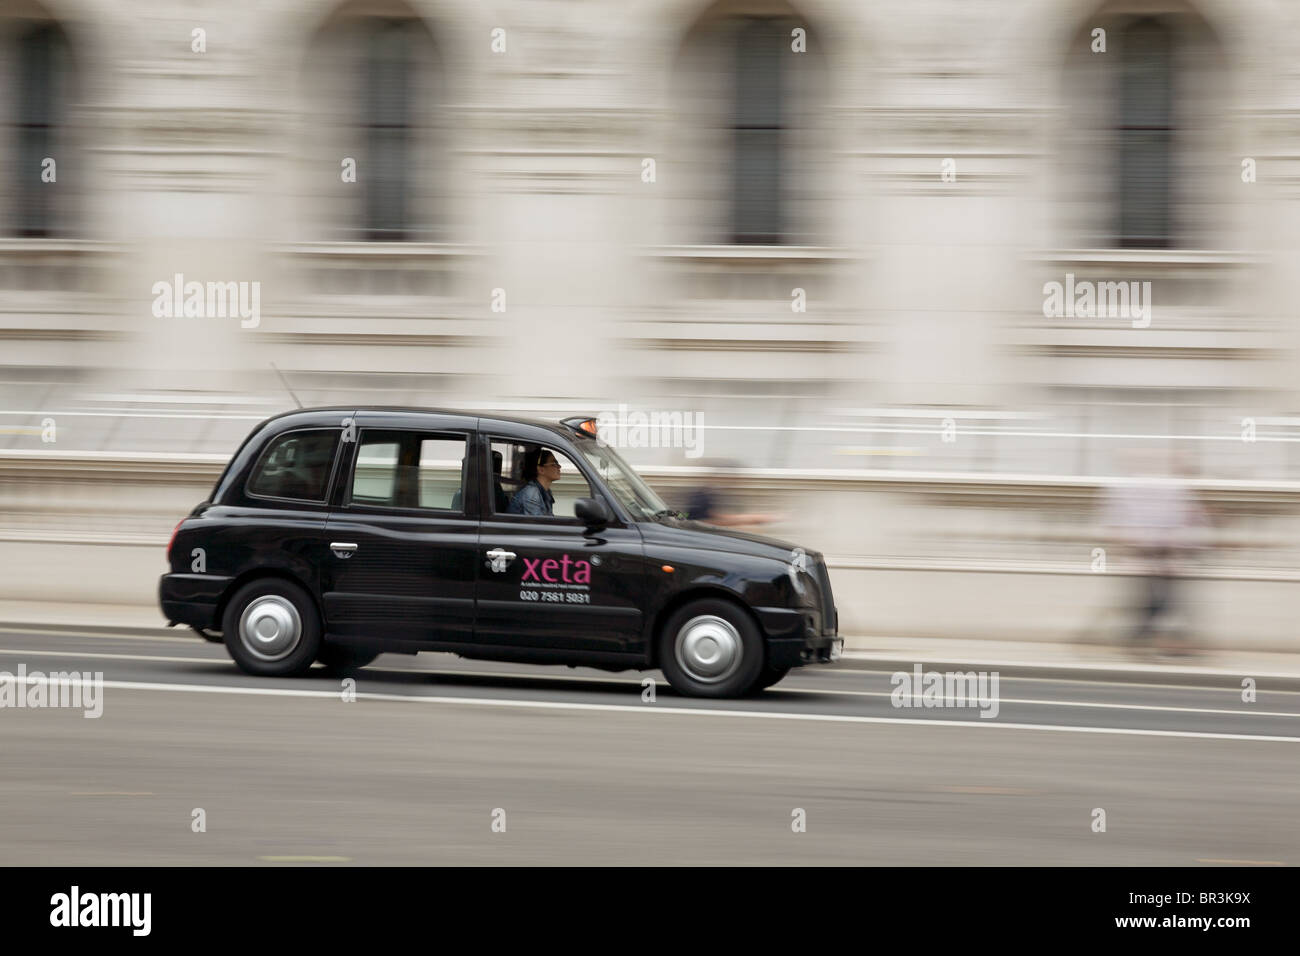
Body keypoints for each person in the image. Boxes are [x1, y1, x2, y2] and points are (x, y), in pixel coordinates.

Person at [506, 447, 560, 516]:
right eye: (554, 463)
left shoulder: (546, 492)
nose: (559, 467)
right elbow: (539, 524)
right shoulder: (531, 493)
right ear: (541, 470)